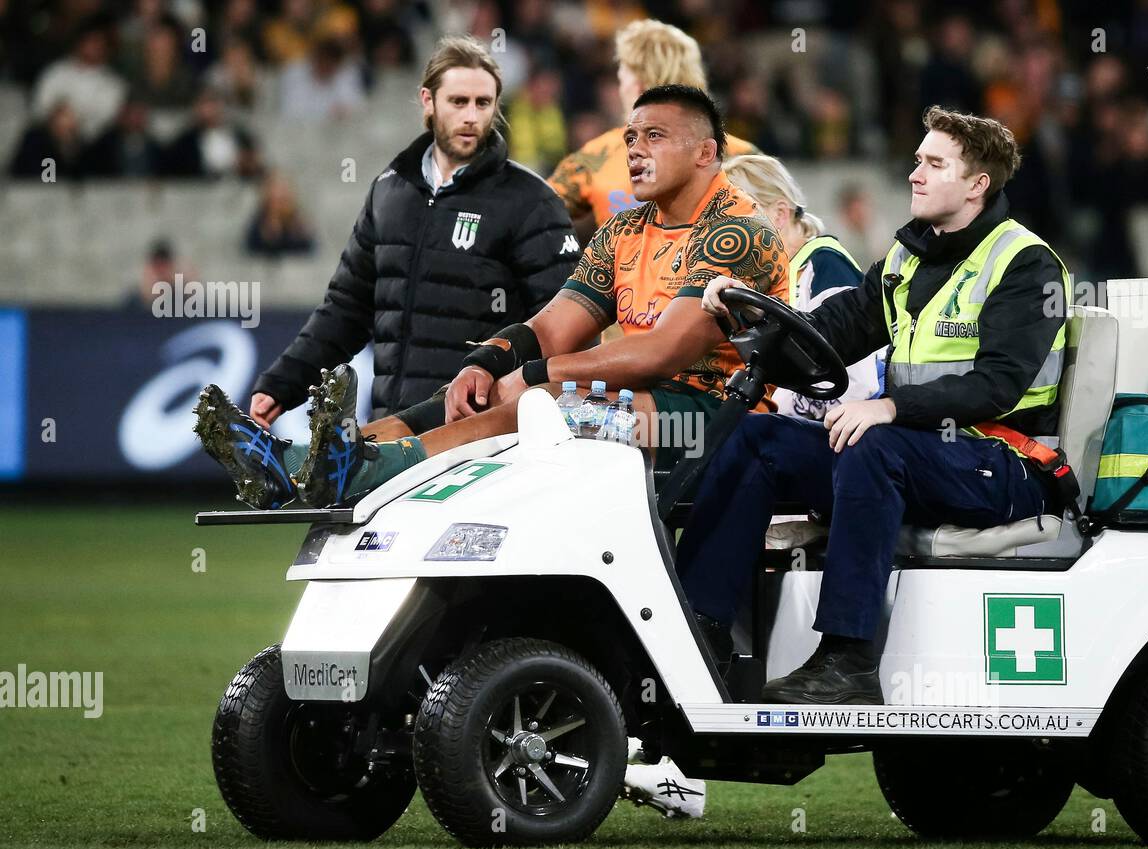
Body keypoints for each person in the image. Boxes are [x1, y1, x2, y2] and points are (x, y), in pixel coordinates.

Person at [194, 84, 787, 563]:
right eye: (631, 137)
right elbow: (554, 323)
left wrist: (532, 374)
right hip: (643, 402)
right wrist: (485, 363)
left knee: (548, 404)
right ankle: (295, 464)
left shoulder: (735, 231)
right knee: (465, 398)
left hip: (716, 420)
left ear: (707, 153)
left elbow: (661, 354)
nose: (634, 150)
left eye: (654, 137)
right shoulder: (625, 230)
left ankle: (364, 471)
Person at [678, 106, 1071, 705]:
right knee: (760, 440)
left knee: (869, 442)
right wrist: (742, 315)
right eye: (917, 160)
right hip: (923, 455)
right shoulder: (908, 259)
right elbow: (828, 333)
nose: (914, 173)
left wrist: (890, 407)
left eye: (934, 163)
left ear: (976, 185)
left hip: (1004, 462)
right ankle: (698, 629)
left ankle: (848, 659)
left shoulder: (1026, 264)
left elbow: (999, 385)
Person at [245, 34, 579, 438]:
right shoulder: (389, 192)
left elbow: (564, 325)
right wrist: (284, 382)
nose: (472, 116)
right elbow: (346, 308)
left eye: (483, 103)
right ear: (428, 101)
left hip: (476, 436)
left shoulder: (531, 201)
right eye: (458, 102)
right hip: (391, 426)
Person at [547, 19, 758, 243]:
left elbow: (532, 210)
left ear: (638, 83)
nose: (621, 87)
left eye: (622, 75)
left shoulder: (598, 157)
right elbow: (785, 228)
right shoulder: (742, 156)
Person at [721, 154, 883, 421]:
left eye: (737, 219)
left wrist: (772, 407)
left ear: (780, 214)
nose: (726, 236)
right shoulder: (769, 279)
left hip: (835, 431)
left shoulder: (825, 265)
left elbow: (857, 384)